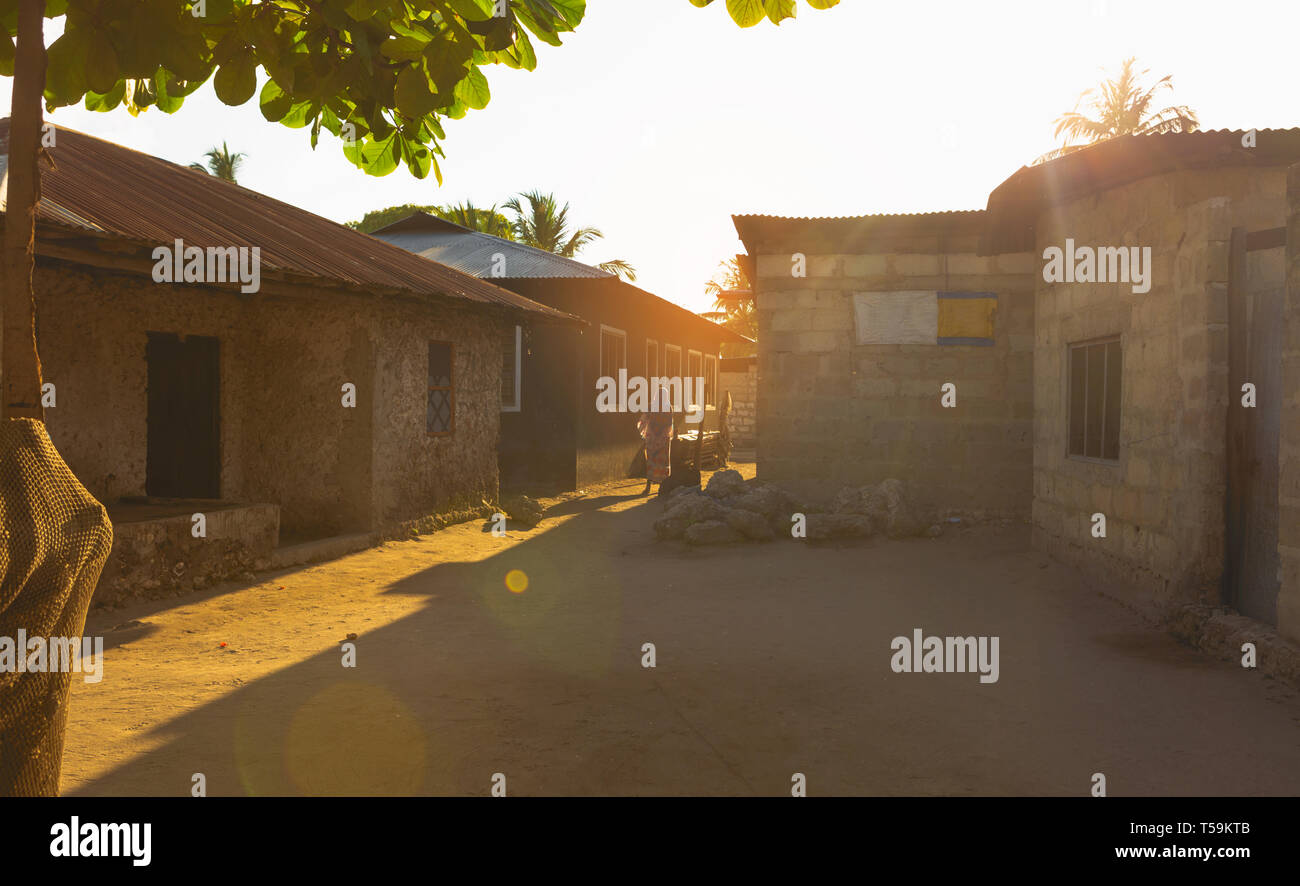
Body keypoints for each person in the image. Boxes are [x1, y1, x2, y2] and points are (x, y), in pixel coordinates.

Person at [637, 384, 675, 496]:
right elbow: (669, 424)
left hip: (652, 439)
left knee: (651, 462)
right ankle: (662, 487)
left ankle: (648, 487)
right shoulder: (668, 407)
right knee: (662, 463)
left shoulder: (651, 406)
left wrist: (647, 432)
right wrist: (663, 435)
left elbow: (643, 420)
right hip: (663, 440)